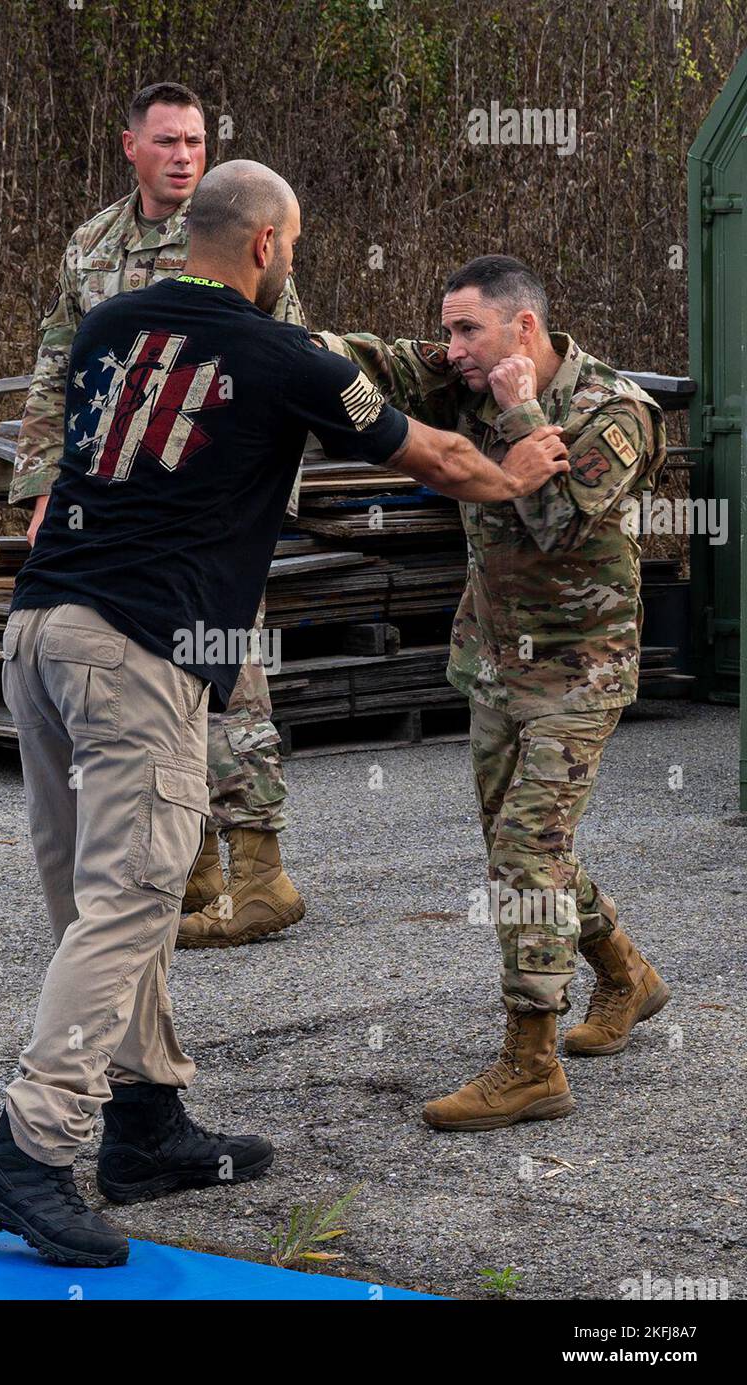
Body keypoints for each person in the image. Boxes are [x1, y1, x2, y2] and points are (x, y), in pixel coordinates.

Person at [0, 168, 569, 1266]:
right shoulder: (283, 356)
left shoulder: (107, 324)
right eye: (292, 244)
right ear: (266, 246)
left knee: (101, 902)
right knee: (133, 896)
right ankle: (31, 1151)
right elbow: (429, 457)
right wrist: (513, 464)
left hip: (37, 630)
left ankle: (143, 1125)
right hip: (134, 648)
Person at [316, 255, 671, 1133]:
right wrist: (275, 337)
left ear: (524, 329)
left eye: (466, 330)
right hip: (496, 663)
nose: (452, 348)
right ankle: (626, 976)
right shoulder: (464, 379)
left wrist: (520, 413)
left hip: (580, 667)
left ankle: (531, 1063)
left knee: (524, 853)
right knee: (526, 849)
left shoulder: (616, 413)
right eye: (447, 329)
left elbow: (556, 524)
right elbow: (373, 362)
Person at [9, 81, 305, 950]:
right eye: (169, 141)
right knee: (143, 677)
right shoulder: (92, 246)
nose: (185, 155)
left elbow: (285, 367)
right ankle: (188, 866)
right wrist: (40, 490)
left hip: (205, 505)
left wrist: (257, 511)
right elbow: (56, 369)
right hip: (110, 504)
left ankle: (262, 870)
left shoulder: (234, 231)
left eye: (197, 141)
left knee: (225, 672)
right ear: (130, 145)